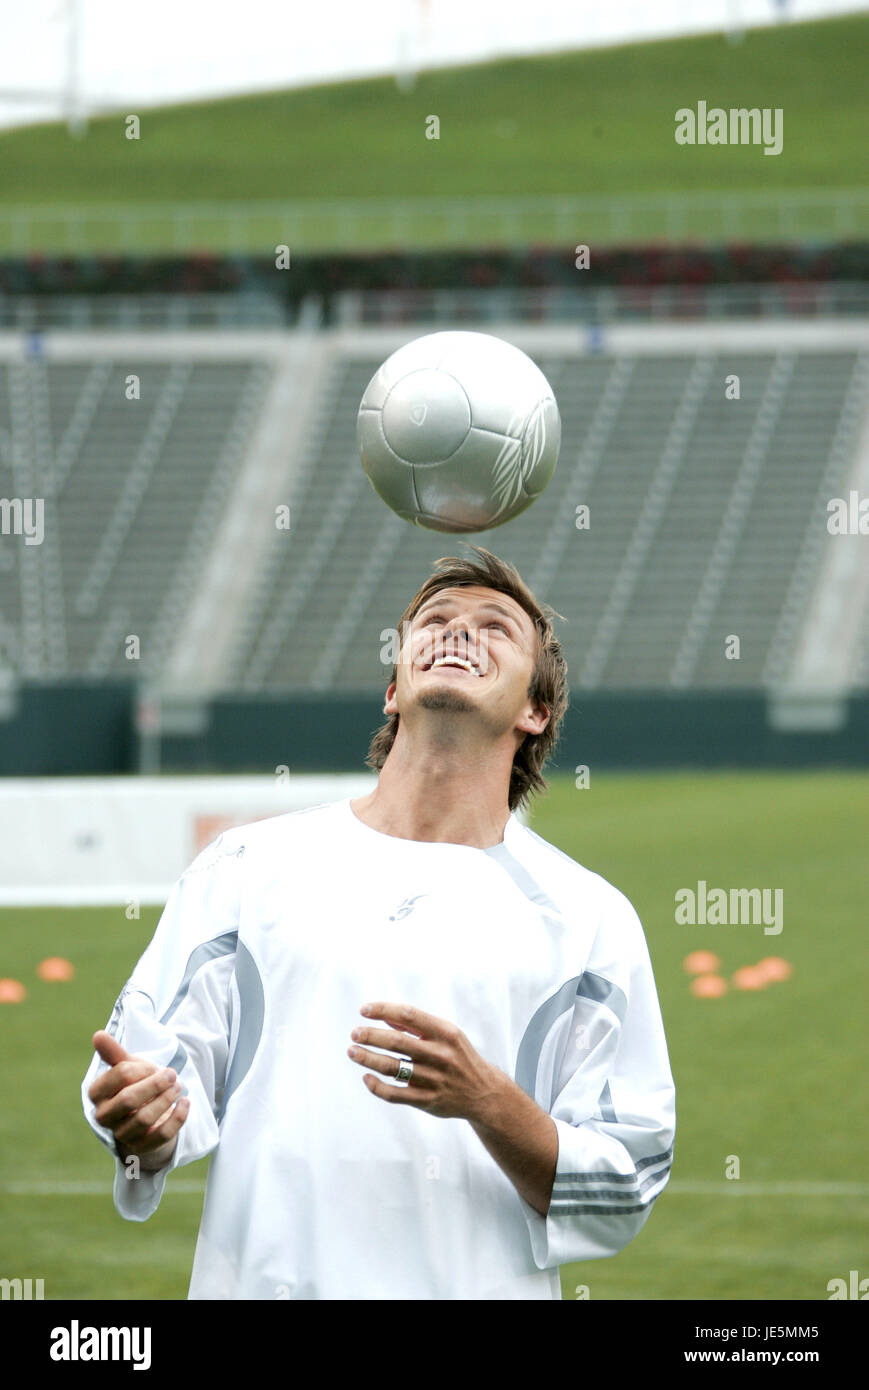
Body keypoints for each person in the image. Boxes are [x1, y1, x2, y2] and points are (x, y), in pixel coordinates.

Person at [82, 546, 676, 1300]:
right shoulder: (246, 865)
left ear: (536, 711)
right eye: (434, 619)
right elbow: (151, 1078)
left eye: (496, 627)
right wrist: (143, 1120)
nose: (458, 631)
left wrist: (486, 1100)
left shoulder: (589, 917)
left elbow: (625, 1181)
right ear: (393, 691)